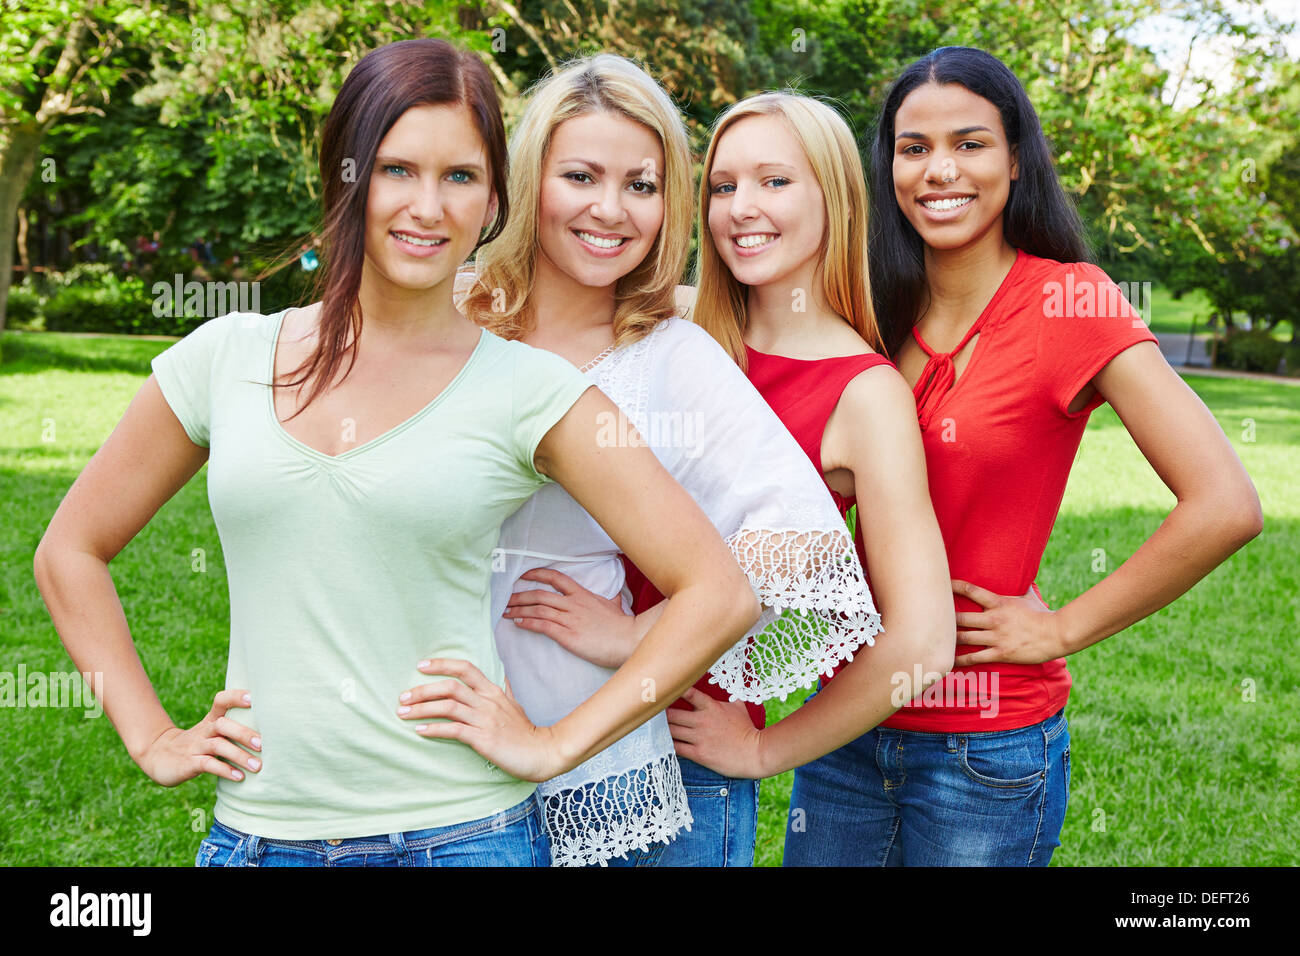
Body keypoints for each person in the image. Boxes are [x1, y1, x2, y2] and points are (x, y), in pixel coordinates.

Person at [32, 38, 760, 868]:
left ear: (494, 201)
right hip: (263, 838)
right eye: (396, 169)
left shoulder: (530, 389)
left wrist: (556, 745)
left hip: (465, 839)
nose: (429, 206)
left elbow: (719, 593)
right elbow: (70, 552)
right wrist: (150, 734)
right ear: (344, 177)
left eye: (460, 177)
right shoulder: (225, 357)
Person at [678, 47, 1263, 866]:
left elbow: (1226, 504)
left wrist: (1061, 628)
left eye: (970, 143)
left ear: (1017, 158)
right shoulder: (870, 304)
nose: (938, 170)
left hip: (982, 749)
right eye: (913, 149)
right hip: (846, 725)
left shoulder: (1071, 301)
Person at [451, 55, 885, 867]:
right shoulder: (448, 312)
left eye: (642, 187)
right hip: (437, 750)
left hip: (607, 765)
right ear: (528, 179)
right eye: (580, 175)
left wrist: (634, 637)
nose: (610, 210)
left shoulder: (672, 356)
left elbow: (798, 540)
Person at [633, 91, 957, 865]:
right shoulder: (671, 329)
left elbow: (922, 640)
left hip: (681, 757)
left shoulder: (865, 393)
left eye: (775, 182)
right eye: (723, 186)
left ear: (835, 199)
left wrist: (765, 751)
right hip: (548, 718)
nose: (742, 208)